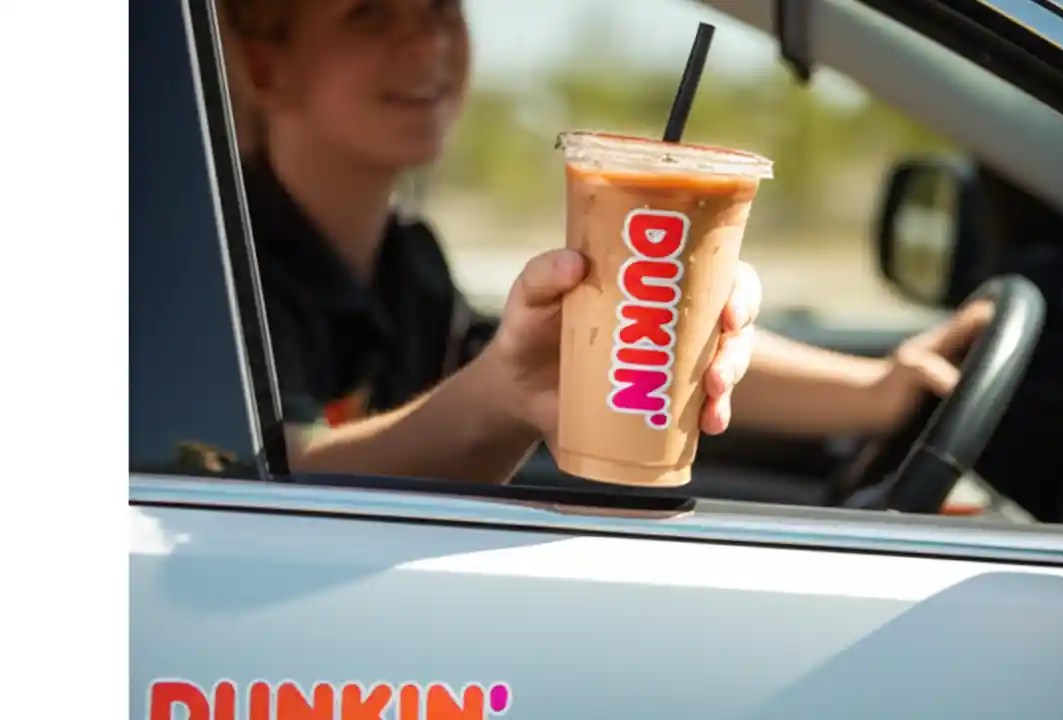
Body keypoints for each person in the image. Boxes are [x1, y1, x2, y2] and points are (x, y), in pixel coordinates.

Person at [219, 0, 992, 486]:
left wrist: (878, 389)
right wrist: (501, 395)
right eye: (370, 14)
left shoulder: (407, 259)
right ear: (263, 65)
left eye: (442, 6)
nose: (427, 40)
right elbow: (276, 482)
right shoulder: (220, 266)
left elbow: (576, 357)